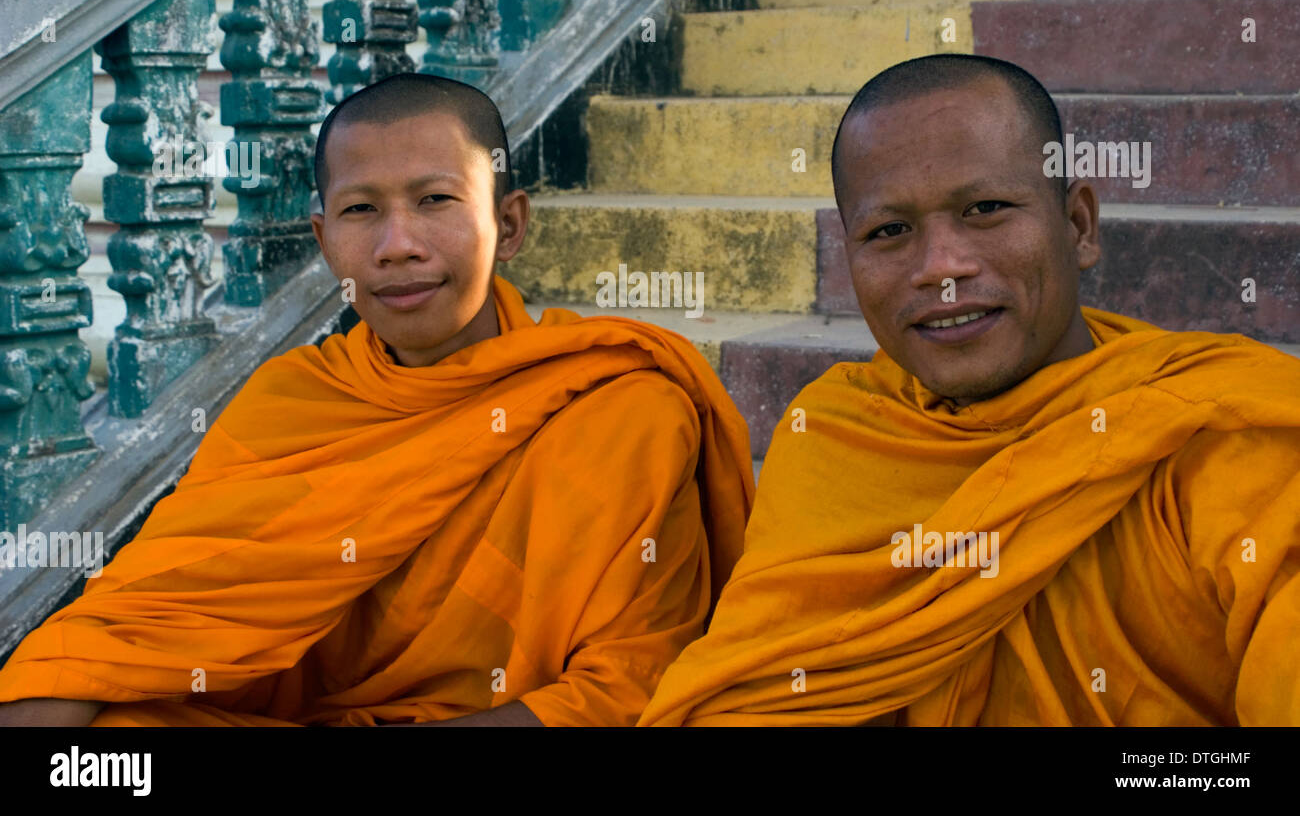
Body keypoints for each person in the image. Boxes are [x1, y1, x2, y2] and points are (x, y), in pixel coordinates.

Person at [0, 73, 753, 727]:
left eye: (435, 200)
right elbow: (134, 628)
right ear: (327, 244)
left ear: (510, 224)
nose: (398, 245)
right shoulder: (291, 404)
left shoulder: (622, 409)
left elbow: (630, 688)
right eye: (362, 211)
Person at [639, 54, 1300, 726]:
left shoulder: (1225, 438)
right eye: (889, 231)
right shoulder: (838, 436)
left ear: (1079, 227)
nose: (942, 269)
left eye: (985, 208)